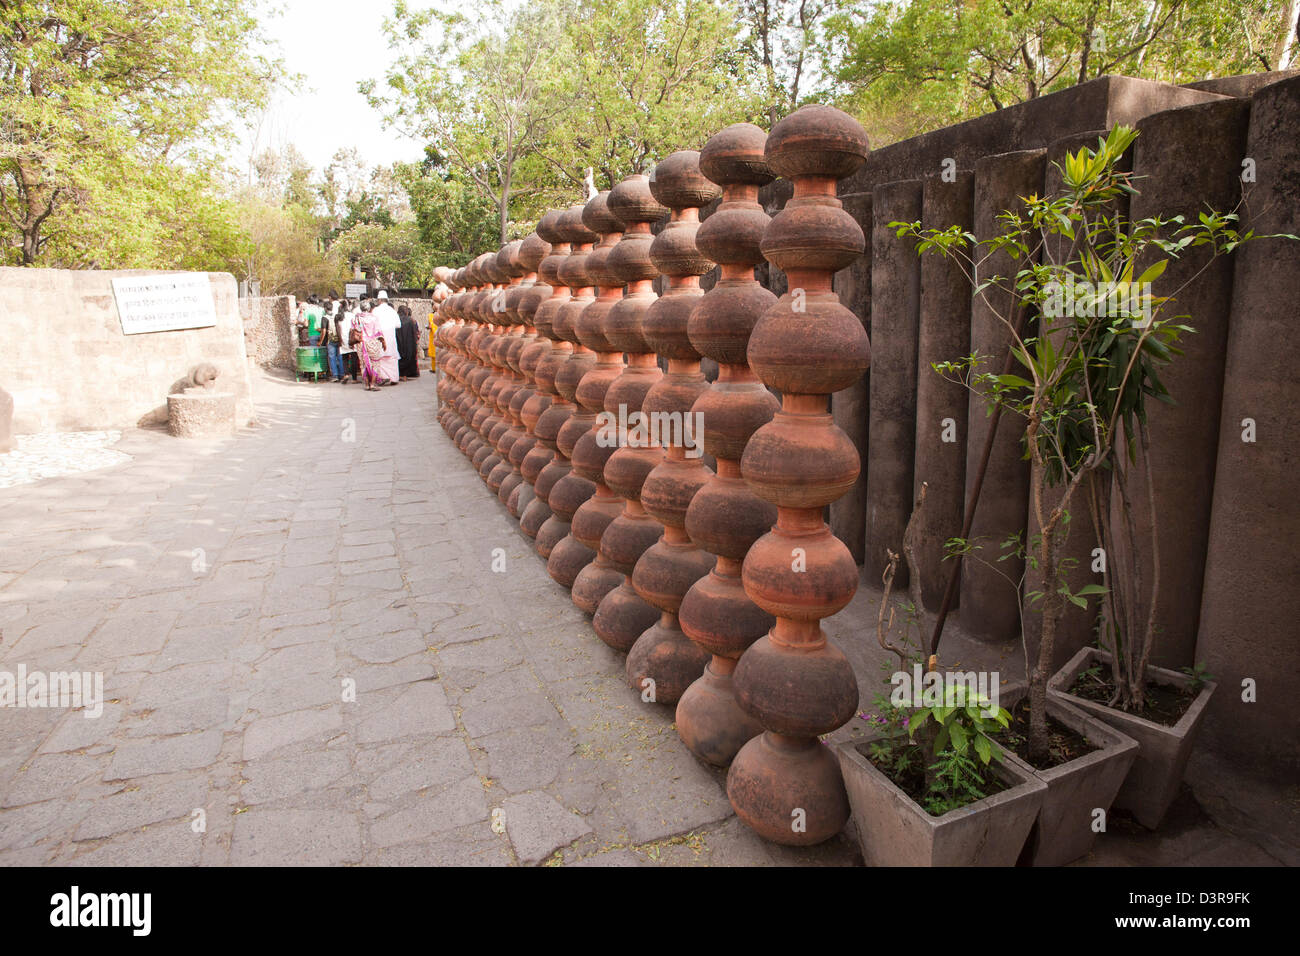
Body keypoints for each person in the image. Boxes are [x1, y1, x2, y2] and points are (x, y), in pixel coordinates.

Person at [351, 301, 390, 391]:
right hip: (372, 343)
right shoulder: (374, 318)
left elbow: (353, 330)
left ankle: (367, 384)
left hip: (360, 343)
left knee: (363, 364)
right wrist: (383, 342)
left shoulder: (356, 318)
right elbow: (378, 332)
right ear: (369, 308)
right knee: (375, 363)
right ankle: (372, 384)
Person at [369, 294, 402, 386]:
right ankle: (394, 378)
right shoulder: (392, 311)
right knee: (391, 358)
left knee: (381, 358)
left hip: (379, 338)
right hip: (391, 338)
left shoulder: (375, 311)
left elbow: (372, 324)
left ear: (379, 300)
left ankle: (383, 377)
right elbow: (398, 325)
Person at [337, 300, 360, 383]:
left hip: (343, 339)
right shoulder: (352, 315)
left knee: (344, 358)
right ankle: (354, 378)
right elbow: (356, 327)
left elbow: (338, 329)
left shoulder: (339, 316)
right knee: (354, 358)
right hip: (352, 339)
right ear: (348, 307)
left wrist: (340, 340)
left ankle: (346, 375)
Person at [396, 304, 420, 380]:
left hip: (399, 343)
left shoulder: (397, 319)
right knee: (408, 357)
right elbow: (414, 333)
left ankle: (400, 374)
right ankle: (406, 375)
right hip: (409, 343)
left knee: (399, 357)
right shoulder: (410, 320)